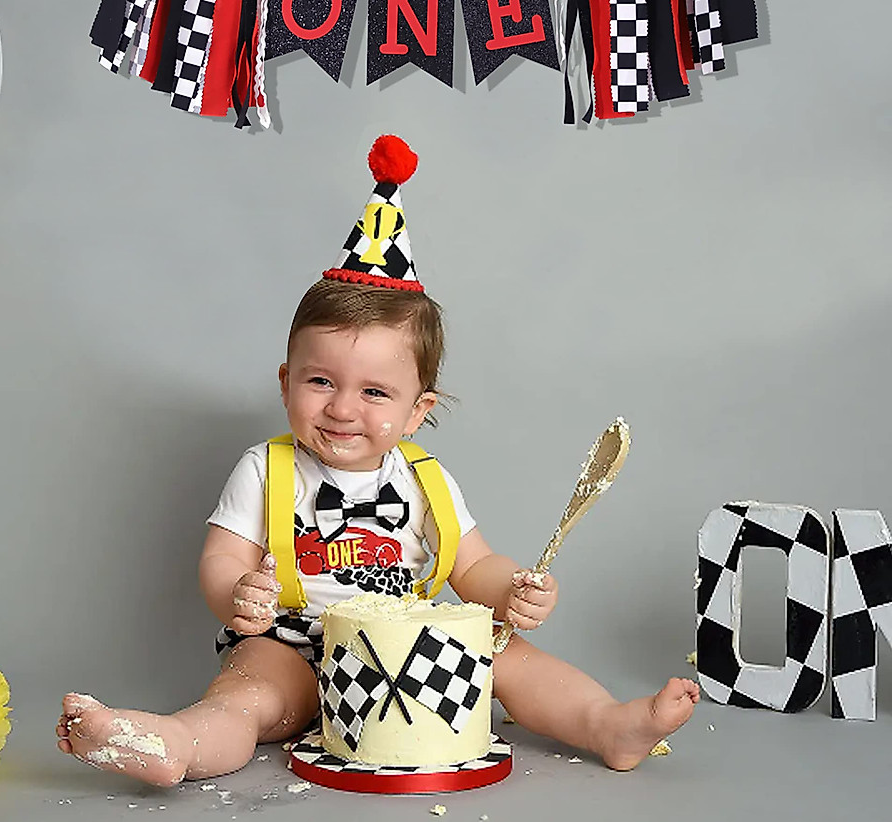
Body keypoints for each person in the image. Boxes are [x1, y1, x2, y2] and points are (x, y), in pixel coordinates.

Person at [56, 137, 698, 784]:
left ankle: (608, 724)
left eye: (374, 393)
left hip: (409, 655)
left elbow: (473, 566)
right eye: (320, 382)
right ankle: (177, 744)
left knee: (511, 658)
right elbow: (222, 560)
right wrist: (238, 597)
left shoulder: (426, 481)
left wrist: (512, 591)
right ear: (285, 382)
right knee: (250, 695)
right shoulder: (265, 469)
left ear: (418, 411)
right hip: (293, 646)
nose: (342, 408)